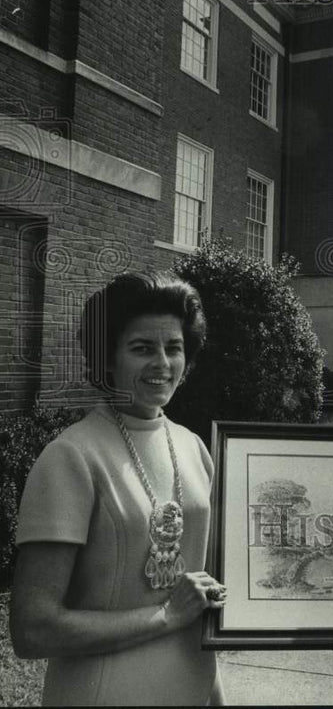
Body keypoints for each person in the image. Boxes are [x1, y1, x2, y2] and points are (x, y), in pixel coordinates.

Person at [10, 272, 226, 707]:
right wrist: (167, 615)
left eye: (174, 348)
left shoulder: (196, 447)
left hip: (192, 687)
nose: (162, 364)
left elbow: (203, 600)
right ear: (108, 357)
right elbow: (33, 629)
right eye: (142, 348)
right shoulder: (70, 456)